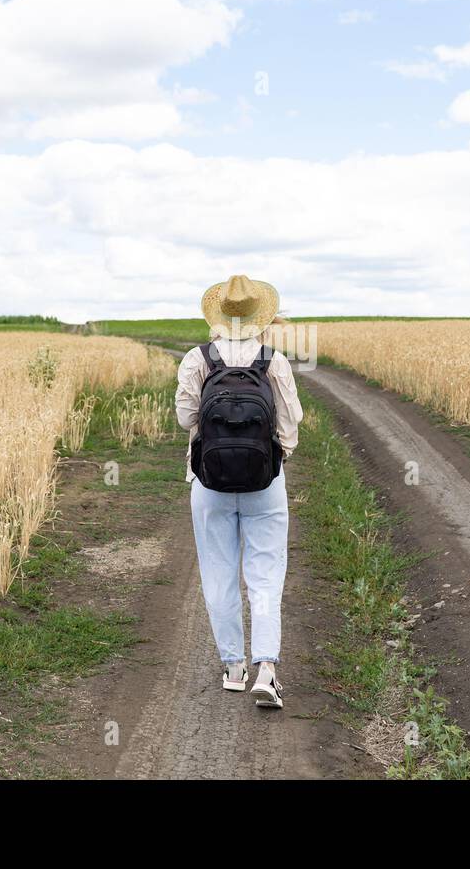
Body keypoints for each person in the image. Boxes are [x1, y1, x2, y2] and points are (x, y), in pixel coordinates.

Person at [175, 275, 302, 708]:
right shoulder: (274, 361)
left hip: (208, 481)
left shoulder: (197, 359)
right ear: (259, 316)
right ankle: (266, 669)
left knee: (218, 571)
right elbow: (290, 427)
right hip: (265, 482)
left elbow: (184, 416)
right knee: (266, 574)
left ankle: (233, 667)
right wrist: (273, 459)